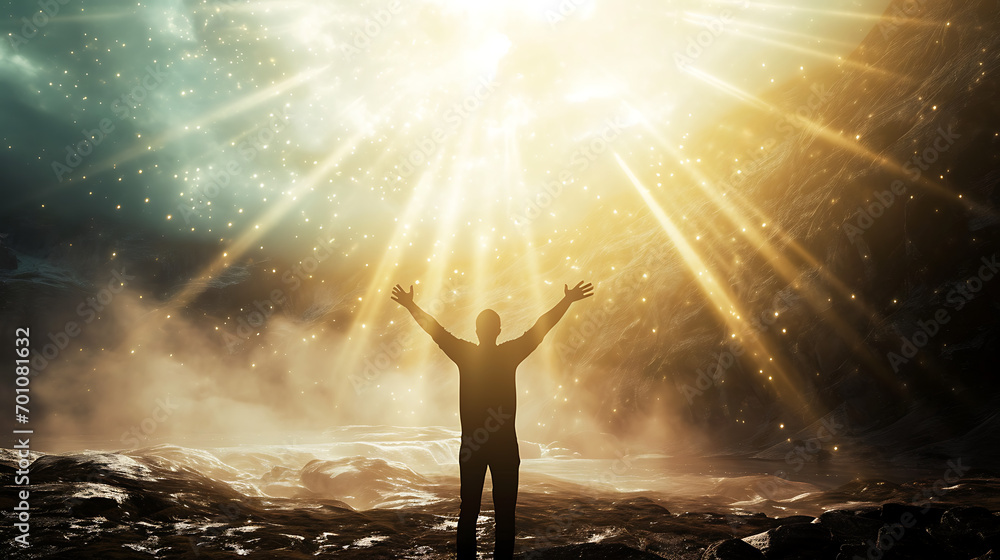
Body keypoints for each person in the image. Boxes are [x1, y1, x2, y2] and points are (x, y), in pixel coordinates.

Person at [391, 281, 594, 560]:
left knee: (469, 512)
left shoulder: (465, 353)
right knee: (505, 514)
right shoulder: (509, 354)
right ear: (499, 330)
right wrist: (567, 301)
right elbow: (541, 328)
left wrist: (410, 305)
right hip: (504, 448)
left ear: (476, 331)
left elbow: (435, 330)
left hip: (473, 446)